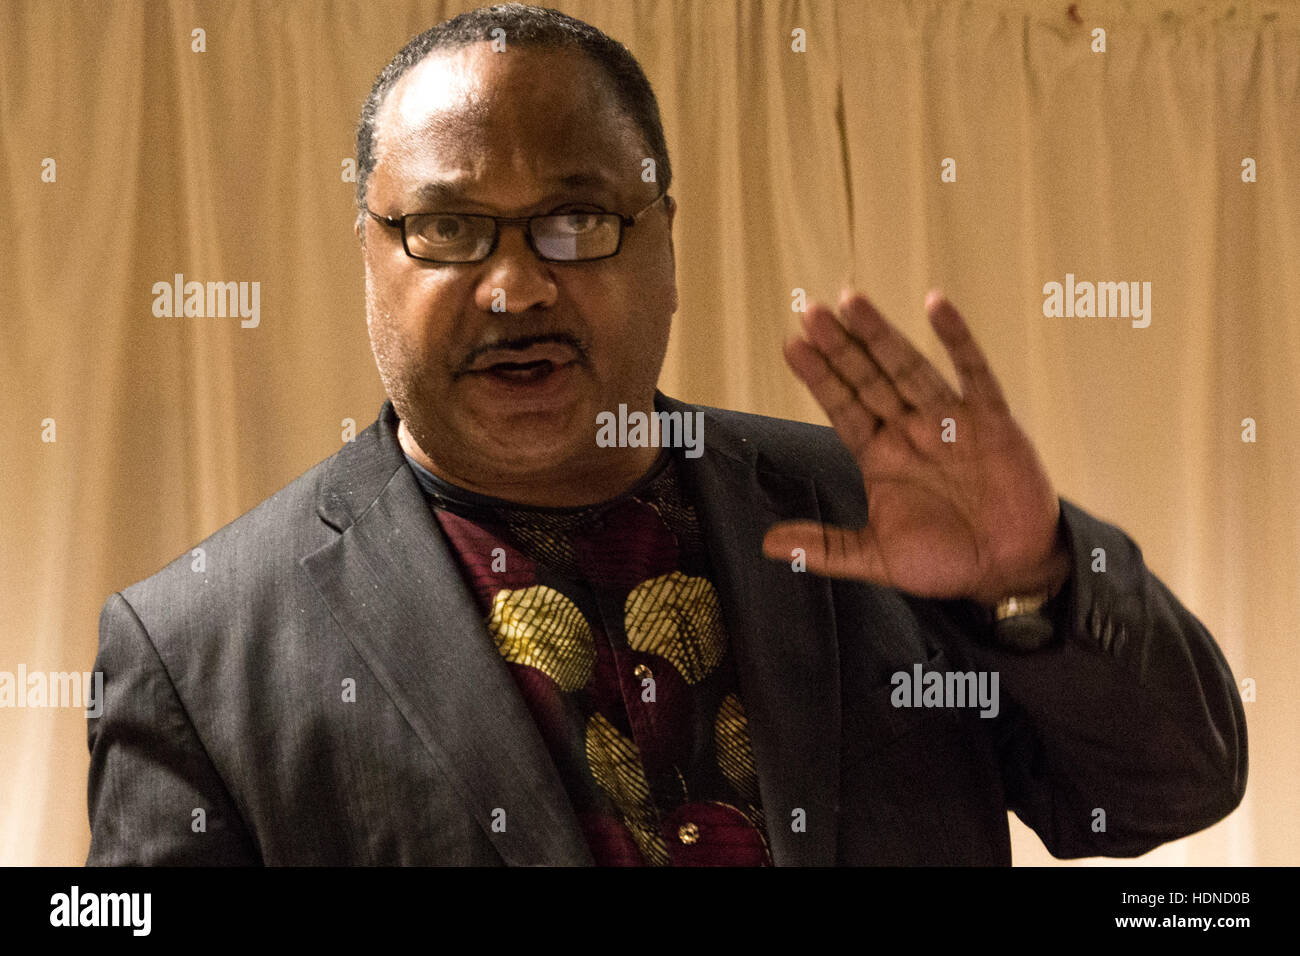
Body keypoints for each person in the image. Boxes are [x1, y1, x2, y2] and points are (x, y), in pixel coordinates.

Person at [86, 3, 1246, 866]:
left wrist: (1035, 577)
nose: (513, 287)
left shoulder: (873, 510)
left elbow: (1170, 788)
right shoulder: (201, 647)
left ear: (667, 244)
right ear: (370, 256)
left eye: (576, 219)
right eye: (445, 227)